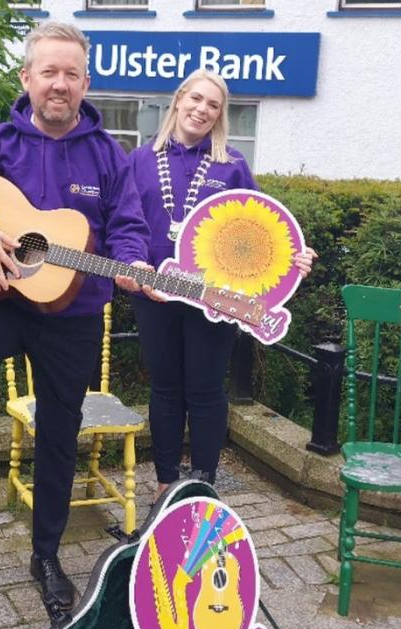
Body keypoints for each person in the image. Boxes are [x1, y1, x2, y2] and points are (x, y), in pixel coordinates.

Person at [0, 21, 153, 620]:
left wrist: (134, 266)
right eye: (49, 72)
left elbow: (129, 227)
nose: (60, 84)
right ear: (27, 78)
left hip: (71, 316)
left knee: (60, 436)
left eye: (71, 74)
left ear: (85, 82)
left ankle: (46, 556)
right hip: (0, 304)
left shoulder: (107, 156)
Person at [127, 70, 315, 498]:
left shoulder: (231, 164)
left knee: (207, 388)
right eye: (195, 99)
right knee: (166, 387)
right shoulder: (138, 160)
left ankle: (205, 480)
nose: (201, 109)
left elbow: (257, 228)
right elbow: (125, 224)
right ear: (178, 101)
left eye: (213, 105)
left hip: (212, 298)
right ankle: (165, 482)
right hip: (154, 293)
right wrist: (137, 268)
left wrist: (293, 258)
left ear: (219, 115)